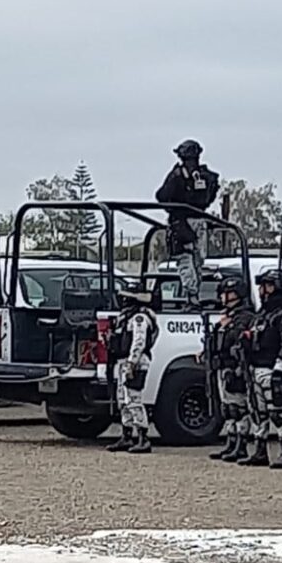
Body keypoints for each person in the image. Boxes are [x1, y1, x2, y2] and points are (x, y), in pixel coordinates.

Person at [242, 269, 282, 469]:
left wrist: (280, 367)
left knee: (278, 411)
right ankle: (260, 450)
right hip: (256, 368)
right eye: (262, 286)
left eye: (267, 285)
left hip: (272, 369)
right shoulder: (262, 316)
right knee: (258, 411)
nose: (262, 290)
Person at [154, 139, 221, 306]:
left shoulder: (182, 176)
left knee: (192, 260)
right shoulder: (201, 176)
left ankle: (193, 294)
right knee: (191, 259)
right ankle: (193, 294)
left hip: (188, 221)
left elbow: (162, 196)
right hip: (191, 222)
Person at [105, 279, 159, 454]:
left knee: (134, 399)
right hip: (123, 361)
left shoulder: (139, 318)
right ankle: (126, 436)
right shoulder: (126, 317)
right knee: (123, 400)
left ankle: (143, 438)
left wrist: (131, 363)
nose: (123, 300)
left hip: (135, 362)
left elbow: (139, 342)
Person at [207, 276, 256, 463]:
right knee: (227, 409)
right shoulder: (225, 318)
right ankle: (231, 442)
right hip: (221, 367)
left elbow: (240, 342)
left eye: (229, 293)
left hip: (235, 368)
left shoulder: (246, 318)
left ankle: (241, 445)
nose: (224, 297)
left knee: (238, 408)